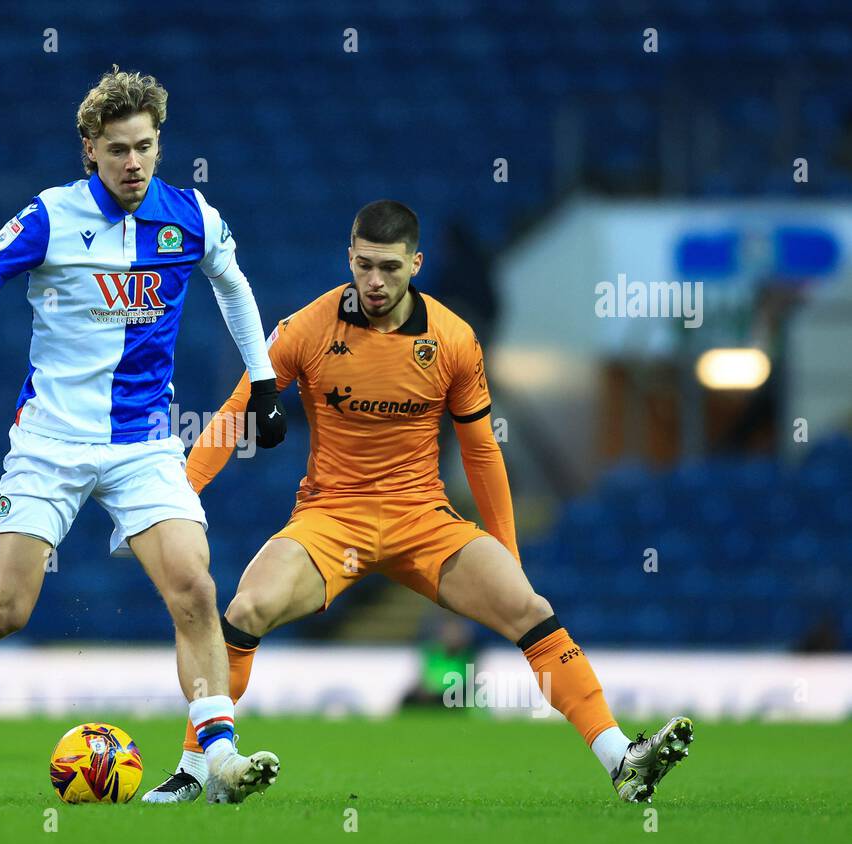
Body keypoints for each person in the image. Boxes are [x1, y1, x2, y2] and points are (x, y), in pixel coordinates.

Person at [142, 200, 693, 804]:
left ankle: (621, 760)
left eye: (390, 268)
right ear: (349, 258)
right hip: (333, 519)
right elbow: (236, 411)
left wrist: (505, 551)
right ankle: (200, 771)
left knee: (528, 605)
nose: (374, 282)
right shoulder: (307, 329)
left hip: (421, 519)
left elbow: (481, 452)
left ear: (416, 264)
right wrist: (178, 499)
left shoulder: (453, 340)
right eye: (364, 266)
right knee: (247, 607)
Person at [0, 66, 287, 804]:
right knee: (2, 612)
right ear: (89, 147)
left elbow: (235, 287)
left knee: (193, 585)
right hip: (50, 442)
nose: (133, 163)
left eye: (145, 147)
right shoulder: (49, 218)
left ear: (159, 143)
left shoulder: (191, 218)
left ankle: (218, 755)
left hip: (144, 441)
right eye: (117, 149)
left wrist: (266, 382)